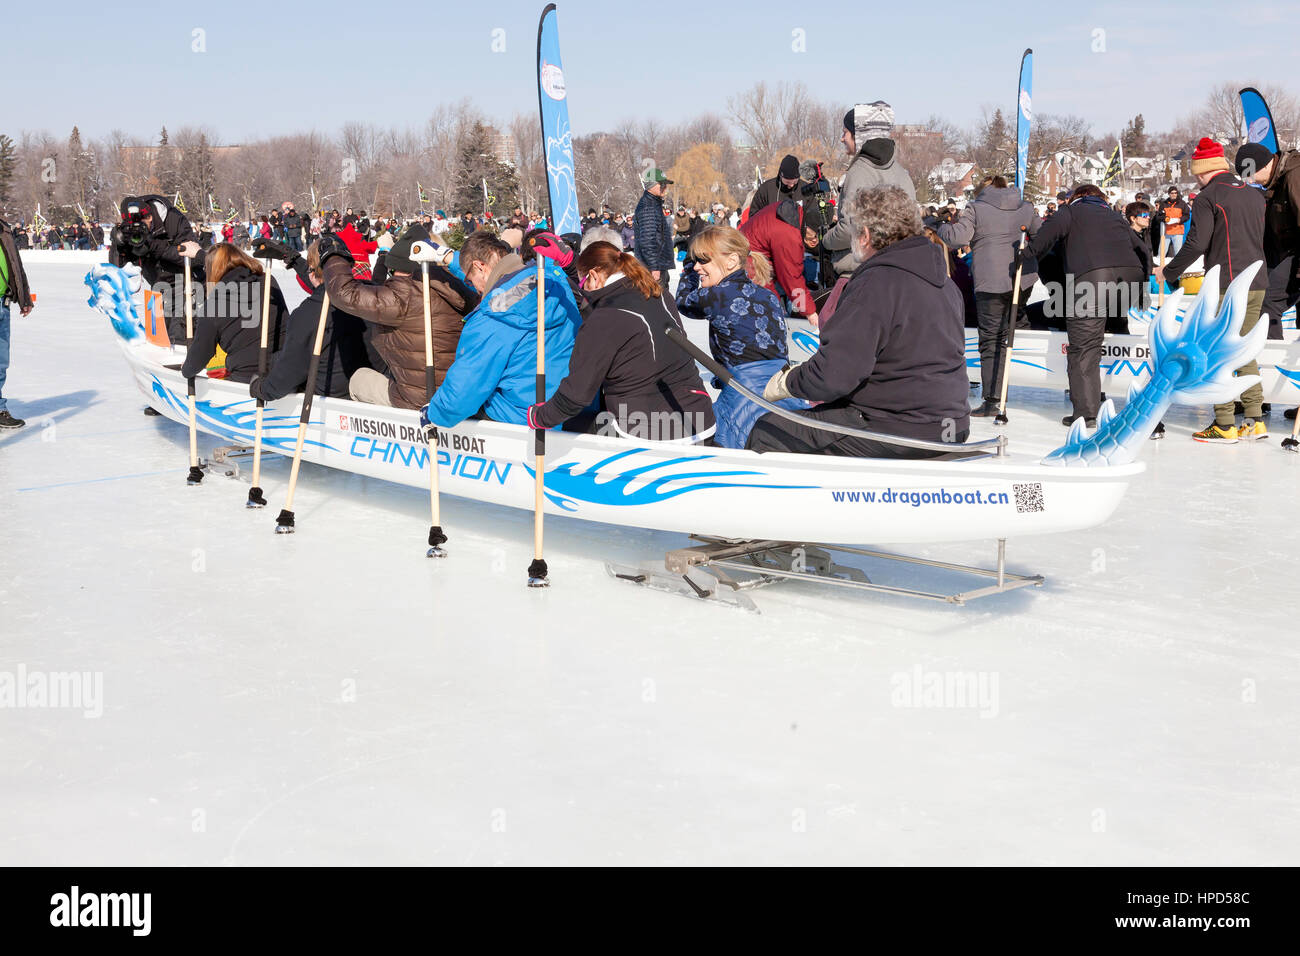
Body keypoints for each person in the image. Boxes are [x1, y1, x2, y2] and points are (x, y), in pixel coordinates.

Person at [749, 186, 970, 456]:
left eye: (853, 231)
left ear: (865, 236)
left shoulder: (876, 283)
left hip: (900, 427)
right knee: (819, 418)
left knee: (768, 432)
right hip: (950, 425)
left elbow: (834, 375)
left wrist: (787, 382)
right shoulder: (944, 284)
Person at [527, 241, 713, 441]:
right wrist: (572, 264)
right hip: (701, 419)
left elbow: (574, 397)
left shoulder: (605, 319)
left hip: (654, 432)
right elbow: (602, 303)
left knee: (573, 424)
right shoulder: (657, 293)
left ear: (595, 276)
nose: (584, 292)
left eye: (583, 285)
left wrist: (538, 417)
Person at [1155, 138, 1268, 442]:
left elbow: (1197, 243)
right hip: (1257, 282)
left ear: (1205, 170)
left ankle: (1225, 423)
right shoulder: (1255, 194)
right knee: (1244, 350)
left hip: (1228, 286)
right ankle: (1255, 420)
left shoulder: (1209, 197)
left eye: (1197, 173)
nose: (1196, 179)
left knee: (1218, 354)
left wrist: (1168, 271)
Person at [422, 231, 581, 428]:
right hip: (567, 406)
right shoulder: (550, 277)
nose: (476, 289)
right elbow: (500, 279)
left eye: (469, 281)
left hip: (522, 418)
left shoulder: (493, 316)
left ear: (479, 266)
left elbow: (466, 388)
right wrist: (445, 256)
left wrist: (435, 413)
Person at [1027, 185, 1149, 427]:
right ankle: (1137, 400)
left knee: (1084, 347)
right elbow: (1143, 250)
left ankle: (1086, 413)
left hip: (1094, 279)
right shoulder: (1114, 215)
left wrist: (1024, 254)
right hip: (1130, 278)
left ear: (1076, 197)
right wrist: (1142, 290)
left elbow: (1042, 242)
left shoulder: (1070, 211)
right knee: (1114, 328)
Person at [676, 225, 806, 448]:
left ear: (731, 261)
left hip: (745, 398)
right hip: (781, 391)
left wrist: (687, 269)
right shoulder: (768, 295)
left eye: (702, 259)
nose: (697, 266)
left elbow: (683, 301)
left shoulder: (717, 295)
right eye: (694, 260)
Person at [320, 226, 476, 409]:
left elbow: (345, 293)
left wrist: (334, 256)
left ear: (405, 270)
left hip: (421, 400)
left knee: (359, 378)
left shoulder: (406, 294)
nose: (391, 277)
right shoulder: (458, 286)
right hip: (459, 395)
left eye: (393, 271)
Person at [937, 175, 1040, 415]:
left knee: (991, 339)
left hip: (991, 282)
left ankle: (993, 399)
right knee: (1004, 329)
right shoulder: (1025, 206)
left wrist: (939, 225)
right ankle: (997, 389)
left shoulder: (976, 208)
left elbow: (957, 238)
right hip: (1021, 279)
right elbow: (1042, 234)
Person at [249, 241, 372, 401]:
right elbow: (331, 284)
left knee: (277, 360)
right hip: (373, 394)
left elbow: (283, 381)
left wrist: (259, 387)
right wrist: (293, 259)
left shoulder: (306, 315)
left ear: (313, 273)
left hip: (333, 405)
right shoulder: (374, 294)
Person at [821, 101, 916, 277]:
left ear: (859, 136)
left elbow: (850, 228)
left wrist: (826, 240)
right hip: (897, 269)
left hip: (860, 271)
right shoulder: (901, 173)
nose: (842, 139)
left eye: (845, 133)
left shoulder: (858, 172)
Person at [181, 244, 290, 383]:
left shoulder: (214, 305)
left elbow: (200, 354)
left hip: (248, 377)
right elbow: (228, 267)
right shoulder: (267, 281)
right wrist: (201, 255)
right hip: (285, 370)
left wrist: (186, 369)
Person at [108, 195, 205, 345]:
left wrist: (154, 245)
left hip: (186, 283)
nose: (138, 230)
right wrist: (118, 246)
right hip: (158, 287)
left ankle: (186, 364)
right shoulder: (129, 231)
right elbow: (117, 268)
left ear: (149, 216)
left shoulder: (172, 219)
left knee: (179, 336)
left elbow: (194, 257)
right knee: (160, 339)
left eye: (142, 224)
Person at [1236, 141, 1300, 346]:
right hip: (1286, 252)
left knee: (1268, 304)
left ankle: (1273, 358)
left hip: (1295, 253)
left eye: (1250, 175)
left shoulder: (1294, 176)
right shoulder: (1275, 182)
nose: (1250, 182)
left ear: (1263, 165)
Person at [738, 199, 820, 326]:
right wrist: (810, 312)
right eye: (814, 236)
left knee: (773, 304)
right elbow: (791, 278)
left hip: (754, 256)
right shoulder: (789, 235)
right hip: (749, 260)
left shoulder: (795, 212)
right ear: (807, 227)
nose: (815, 241)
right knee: (771, 308)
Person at [0, 216, 35, 430]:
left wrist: (24, 298)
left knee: (1, 363)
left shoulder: (4, 229)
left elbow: (16, 264)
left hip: (3, 303)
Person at [634, 169, 676, 291]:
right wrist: (654, 267)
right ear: (650, 185)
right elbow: (647, 240)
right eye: (661, 184)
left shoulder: (653, 203)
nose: (665, 187)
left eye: (665, 184)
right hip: (653, 267)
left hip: (658, 264)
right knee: (657, 303)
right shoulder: (648, 206)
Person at [1155, 186, 1191, 257]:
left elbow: (1187, 216)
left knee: (1178, 254)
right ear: (1169, 194)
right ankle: (1159, 266)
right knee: (1161, 253)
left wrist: (1179, 220)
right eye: (1172, 193)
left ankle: (1178, 267)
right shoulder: (1164, 204)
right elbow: (1159, 216)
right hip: (1166, 232)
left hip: (1178, 232)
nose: (1174, 194)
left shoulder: (1182, 204)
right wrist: (1165, 218)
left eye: (1175, 193)